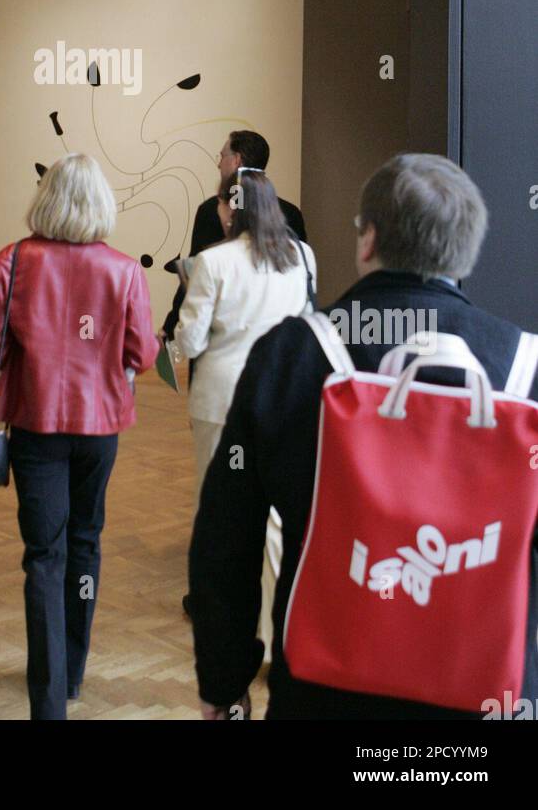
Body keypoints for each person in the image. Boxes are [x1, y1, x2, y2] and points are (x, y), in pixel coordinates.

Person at [189, 152, 538, 720]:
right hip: (488, 696)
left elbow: (227, 539)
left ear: (367, 239)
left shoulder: (292, 354)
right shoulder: (528, 370)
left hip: (324, 692)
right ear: (467, 252)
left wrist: (224, 683)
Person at [0, 153, 159, 720]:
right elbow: (144, 354)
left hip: (35, 423)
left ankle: (48, 698)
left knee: (44, 556)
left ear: (46, 198)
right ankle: (74, 670)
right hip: (100, 427)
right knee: (86, 541)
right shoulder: (125, 271)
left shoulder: (15, 260)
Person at [174, 168, 315, 653]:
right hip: (282, 397)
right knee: (275, 514)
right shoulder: (301, 257)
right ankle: (276, 635)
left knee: (217, 508)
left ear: (230, 209)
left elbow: (191, 339)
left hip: (221, 401)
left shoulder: (213, 262)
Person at [161, 129, 306, 343]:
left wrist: (170, 326)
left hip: (217, 341)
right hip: (275, 340)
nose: (219, 163)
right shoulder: (291, 213)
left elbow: (193, 281)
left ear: (237, 159)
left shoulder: (212, 211)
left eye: (222, 156)